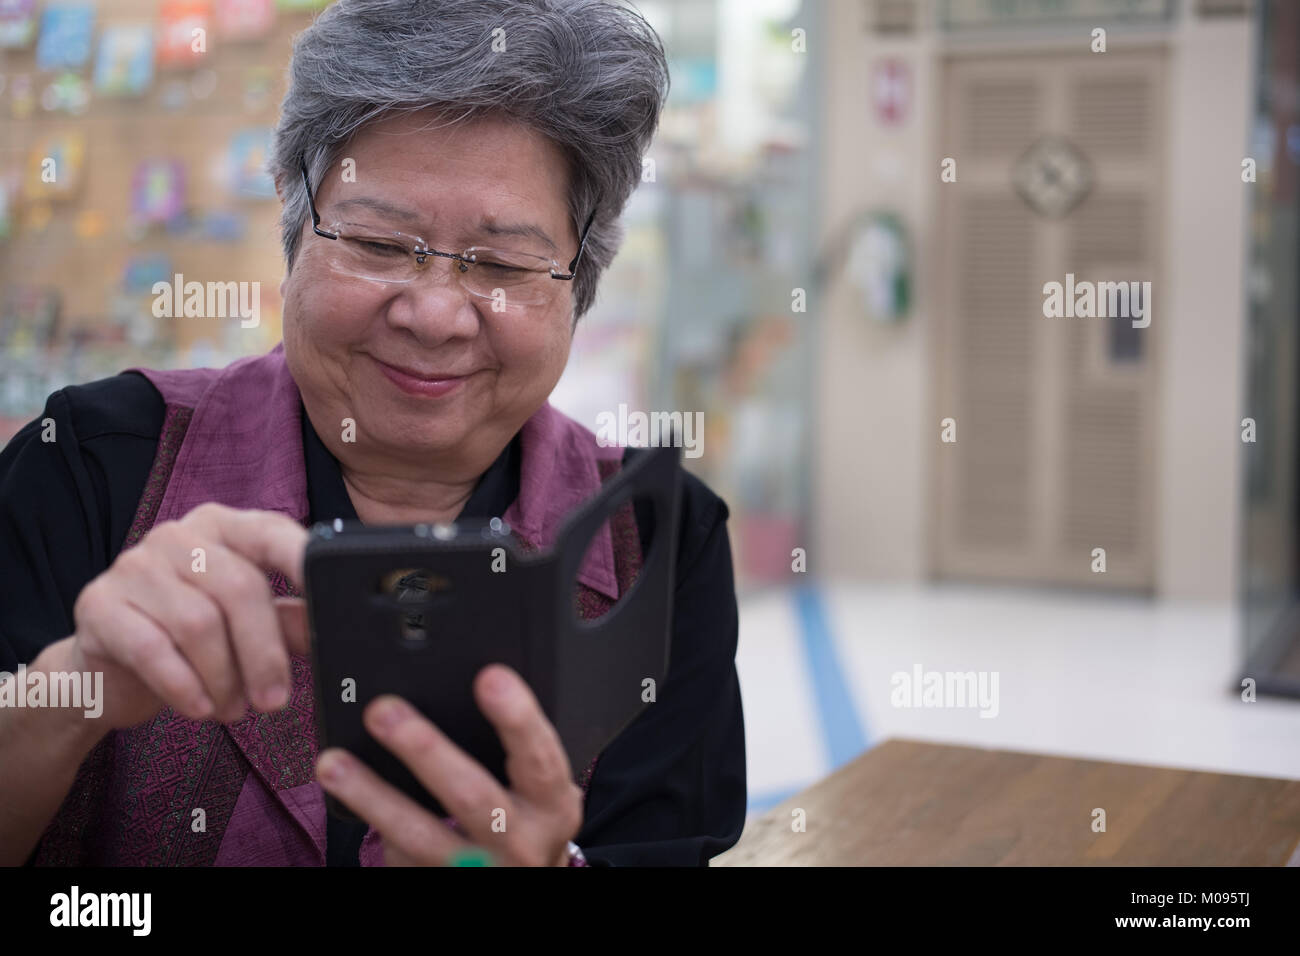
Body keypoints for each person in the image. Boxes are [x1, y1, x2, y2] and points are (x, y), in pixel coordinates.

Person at [0, 0, 745, 867]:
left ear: (582, 276)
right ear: (292, 214)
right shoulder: (91, 467)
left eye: (501, 264)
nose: (433, 316)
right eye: (381, 244)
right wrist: (74, 688)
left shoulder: (659, 541)